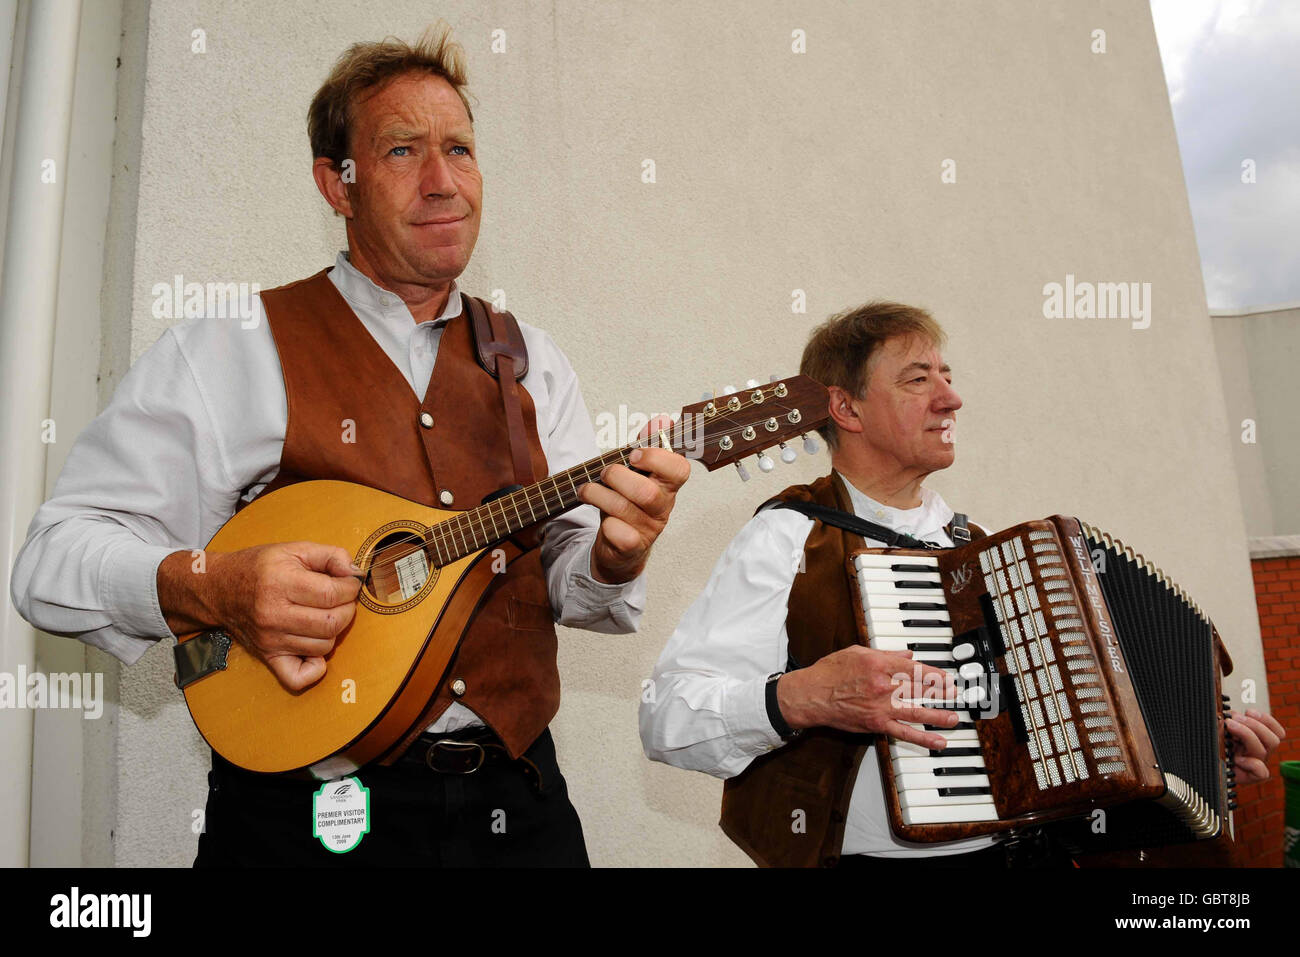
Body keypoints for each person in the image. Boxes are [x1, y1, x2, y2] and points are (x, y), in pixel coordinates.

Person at [11, 24, 690, 867]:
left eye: (462, 150)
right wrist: (216, 586)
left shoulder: (532, 363)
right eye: (404, 151)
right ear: (338, 183)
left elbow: (571, 586)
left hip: (519, 807)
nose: (445, 183)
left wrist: (619, 556)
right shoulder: (235, 345)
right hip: (304, 819)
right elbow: (50, 563)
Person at [638, 300, 1285, 868]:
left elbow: (1061, 728)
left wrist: (1199, 747)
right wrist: (800, 696)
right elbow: (666, 717)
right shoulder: (787, 537)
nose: (951, 398)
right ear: (845, 406)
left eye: (948, 377)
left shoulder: (980, 552)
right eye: (919, 379)